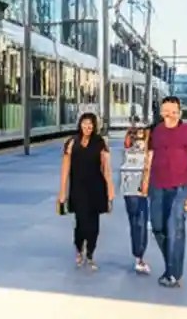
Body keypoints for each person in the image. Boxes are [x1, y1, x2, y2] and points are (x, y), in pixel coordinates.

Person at [142, 96, 187, 288]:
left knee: (174, 228)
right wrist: (145, 183)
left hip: (180, 187)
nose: (171, 115)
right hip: (157, 187)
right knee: (158, 228)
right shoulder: (157, 132)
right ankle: (171, 265)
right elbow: (150, 159)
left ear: (180, 113)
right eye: (167, 112)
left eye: (174, 112)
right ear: (161, 113)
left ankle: (173, 273)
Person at [58, 112, 114, 270]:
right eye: (84, 123)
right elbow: (65, 170)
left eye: (90, 124)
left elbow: (106, 169)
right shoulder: (71, 143)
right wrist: (62, 192)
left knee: (94, 225)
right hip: (78, 189)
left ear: (95, 126)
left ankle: (90, 253)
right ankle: (78, 247)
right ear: (80, 124)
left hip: (96, 188)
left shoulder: (100, 143)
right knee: (81, 222)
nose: (87, 127)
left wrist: (110, 190)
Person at [121, 115, 151, 274]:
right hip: (130, 185)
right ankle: (138, 254)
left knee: (139, 220)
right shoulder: (129, 140)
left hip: (142, 184)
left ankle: (139, 255)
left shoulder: (148, 142)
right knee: (137, 220)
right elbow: (126, 145)